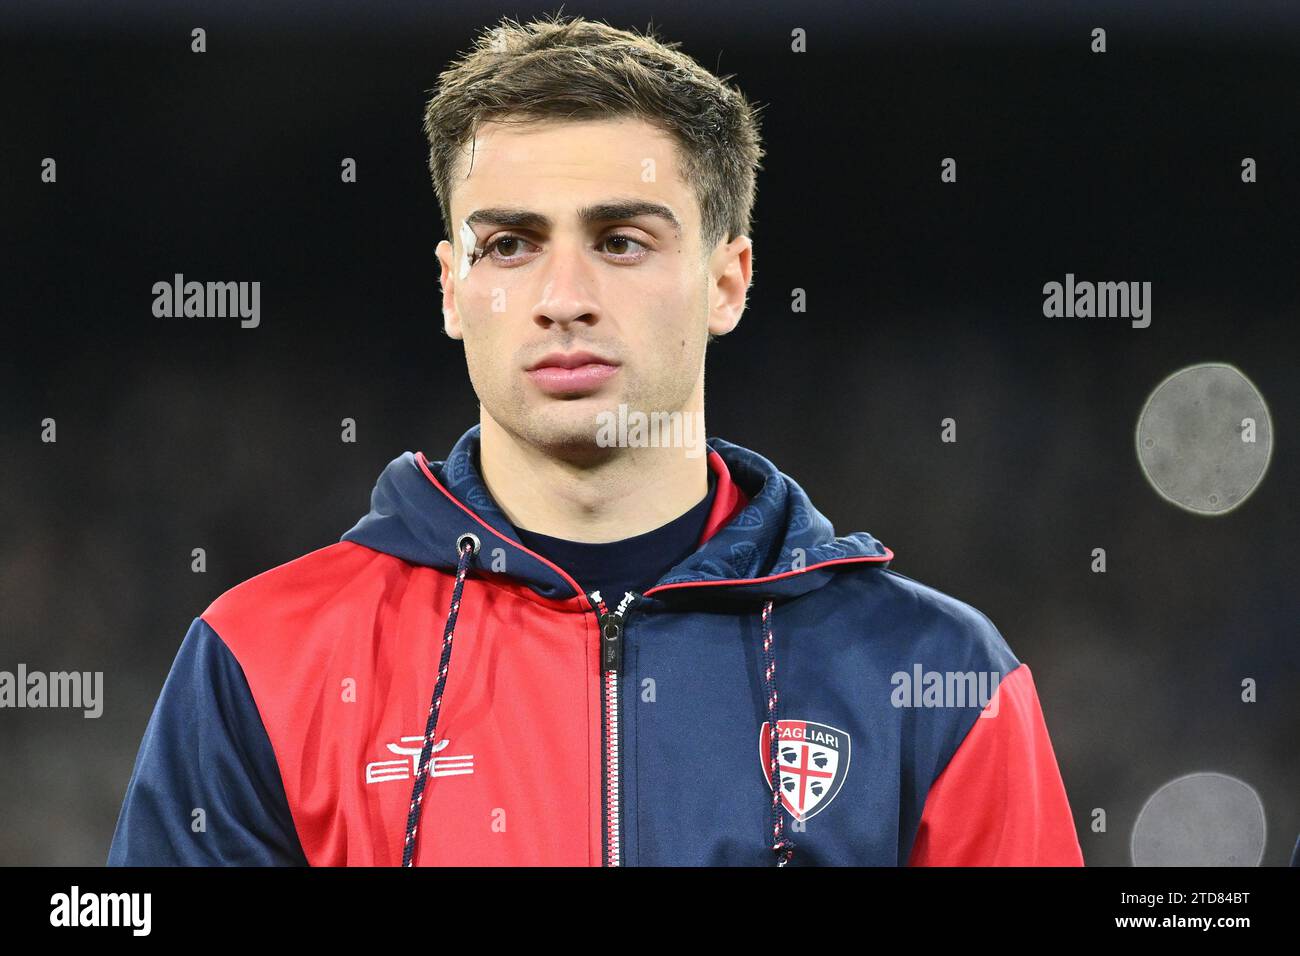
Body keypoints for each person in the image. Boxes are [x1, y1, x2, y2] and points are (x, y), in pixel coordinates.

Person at [108, 13, 1083, 867]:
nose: (563, 298)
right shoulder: (260, 660)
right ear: (452, 287)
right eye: (511, 243)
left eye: (620, 240)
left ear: (728, 280)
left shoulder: (935, 675)